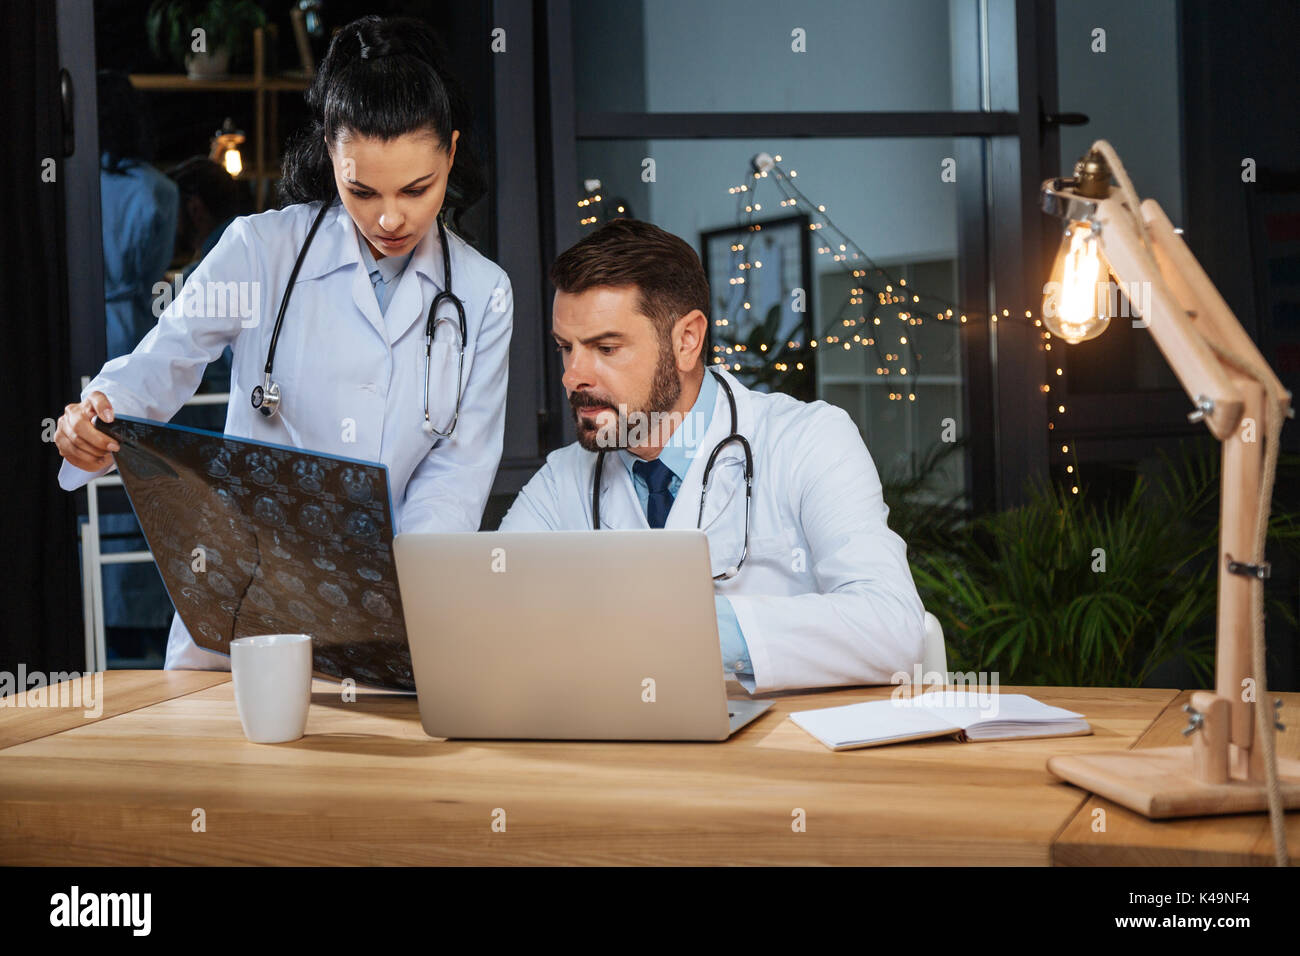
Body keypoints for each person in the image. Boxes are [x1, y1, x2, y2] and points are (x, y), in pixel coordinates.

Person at [55, 15, 514, 671]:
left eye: (418, 189)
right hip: (243, 609)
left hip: (392, 616)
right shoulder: (260, 252)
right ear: (330, 153)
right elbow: (161, 363)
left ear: (451, 153)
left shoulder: (482, 292)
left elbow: (455, 477)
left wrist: (389, 607)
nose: (390, 218)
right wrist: (98, 411)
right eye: (362, 190)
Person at [498, 219, 924, 693]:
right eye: (566, 348)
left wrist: (683, 630)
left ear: (686, 340)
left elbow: (891, 626)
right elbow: (496, 615)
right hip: (620, 749)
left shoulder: (808, 440)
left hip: (781, 751)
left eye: (606, 347)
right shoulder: (564, 478)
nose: (572, 375)